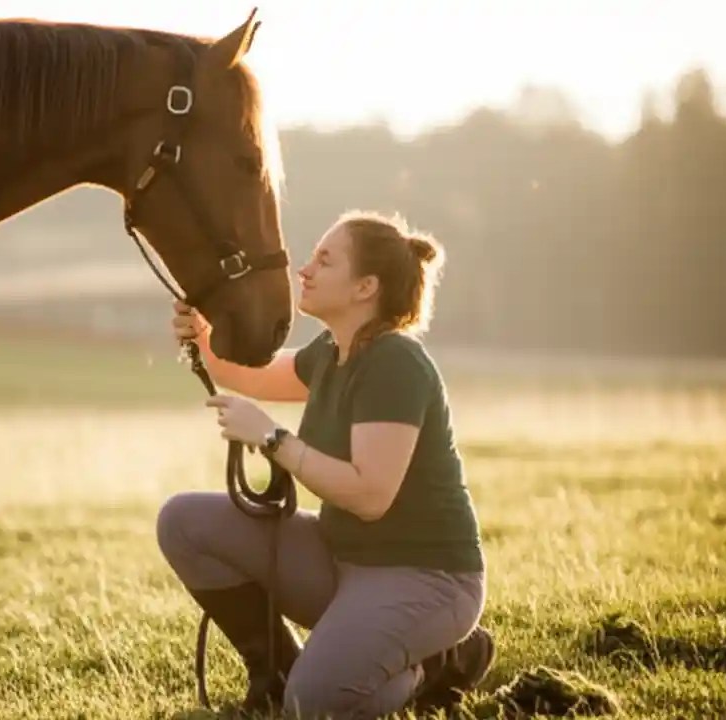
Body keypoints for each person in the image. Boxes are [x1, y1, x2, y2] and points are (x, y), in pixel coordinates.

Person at [156, 210, 494, 718]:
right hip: (341, 558)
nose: (305, 270)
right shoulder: (333, 351)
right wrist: (204, 337)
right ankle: (274, 672)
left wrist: (272, 438)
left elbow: (370, 496)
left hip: (425, 579)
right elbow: (254, 377)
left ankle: (439, 662)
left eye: (325, 260)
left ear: (365, 287)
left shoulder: (395, 363)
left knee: (315, 705)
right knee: (183, 522)